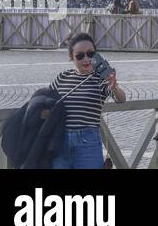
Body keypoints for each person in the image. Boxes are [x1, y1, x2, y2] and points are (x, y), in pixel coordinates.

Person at [50, 33, 125, 169]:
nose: (86, 59)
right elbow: (46, 101)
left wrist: (115, 87)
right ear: (71, 58)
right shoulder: (62, 77)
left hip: (87, 142)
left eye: (90, 54)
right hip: (60, 140)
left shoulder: (100, 79)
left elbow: (121, 99)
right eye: (80, 55)